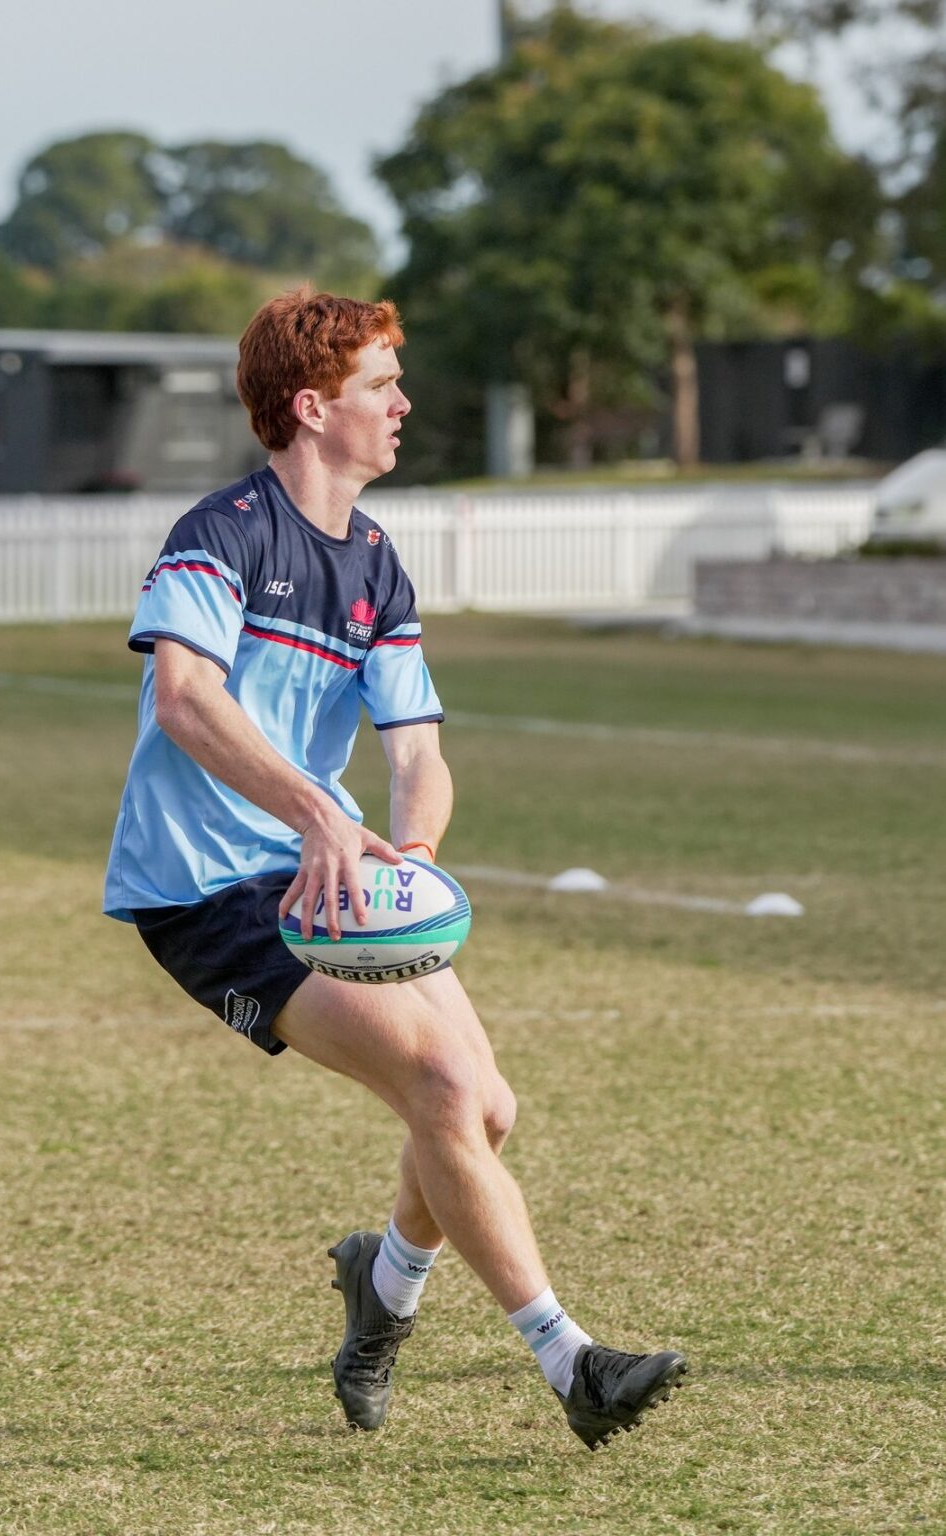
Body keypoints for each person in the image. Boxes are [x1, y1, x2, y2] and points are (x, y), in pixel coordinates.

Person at [104, 288, 688, 1448]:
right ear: (313, 408)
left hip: (328, 879)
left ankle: (381, 1293)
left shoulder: (374, 562)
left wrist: (409, 856)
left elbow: (417, 752)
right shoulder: (218, 535)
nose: (402, 404)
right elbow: (184, 699)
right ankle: (570, 1362)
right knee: (436, 1090)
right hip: (205, 888)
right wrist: (314, 811)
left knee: (486, 1107)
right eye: (381, 385)